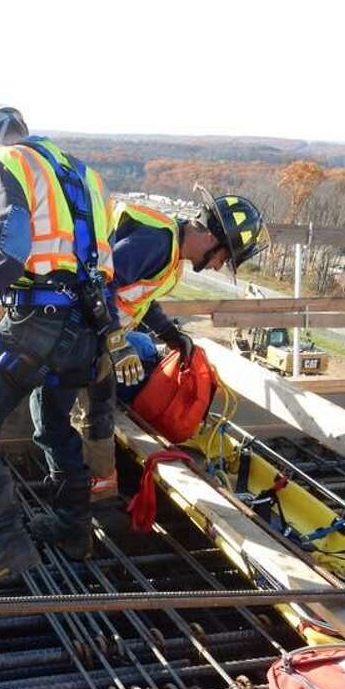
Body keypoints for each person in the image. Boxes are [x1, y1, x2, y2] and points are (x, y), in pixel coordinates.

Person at [0, 104, 127, 588]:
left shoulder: (2, 162)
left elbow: (13, 240)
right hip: (88, 328)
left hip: (39, 323)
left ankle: (3, 545)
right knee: (53, 419)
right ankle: (73, 528)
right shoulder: (82, 174)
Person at [73, 194, 269, 502]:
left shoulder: (170, 254)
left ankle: (92, 479)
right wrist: (115, 341)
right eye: (223, 257)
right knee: (95, 405)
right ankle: (86, 483)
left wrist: (169, 333)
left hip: (97, 330)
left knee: (134, 360)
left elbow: (139, 296)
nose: (218, 267)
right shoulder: (158, 243)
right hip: (79, 330)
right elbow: (99, 284)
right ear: (210, 236)